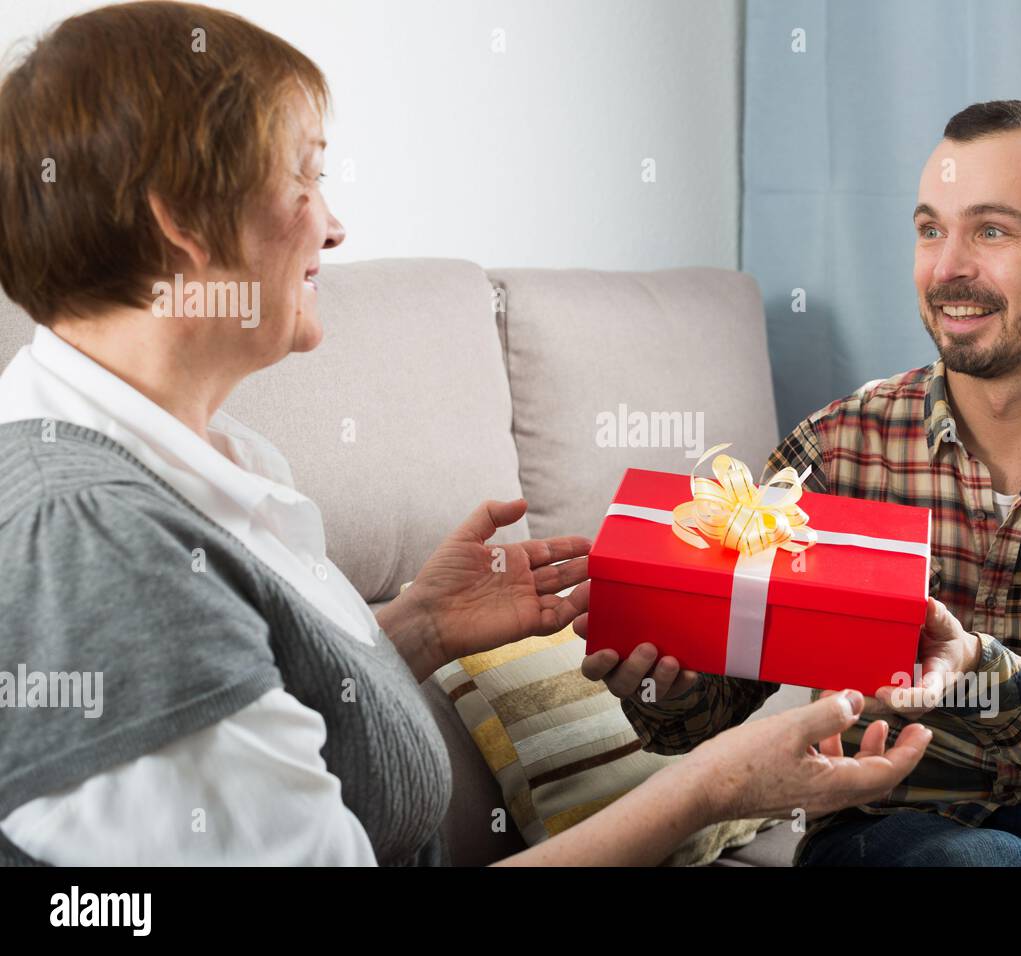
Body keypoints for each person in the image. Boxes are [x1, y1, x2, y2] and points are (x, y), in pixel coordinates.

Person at [0, 0, 933, 866]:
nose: (334, 226)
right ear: (180, 221)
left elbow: (269, 686)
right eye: (307, 176)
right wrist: (718, 782)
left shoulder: (204, 456)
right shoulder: (91, 541)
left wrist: (422, 626)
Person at [584, 100, 1021, 867]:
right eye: (930, 229)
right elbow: (699, 721)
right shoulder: (835, 450)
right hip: (890, 831)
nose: (947, 269)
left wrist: (980, 671)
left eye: (991, 231)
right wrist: (660, 683)